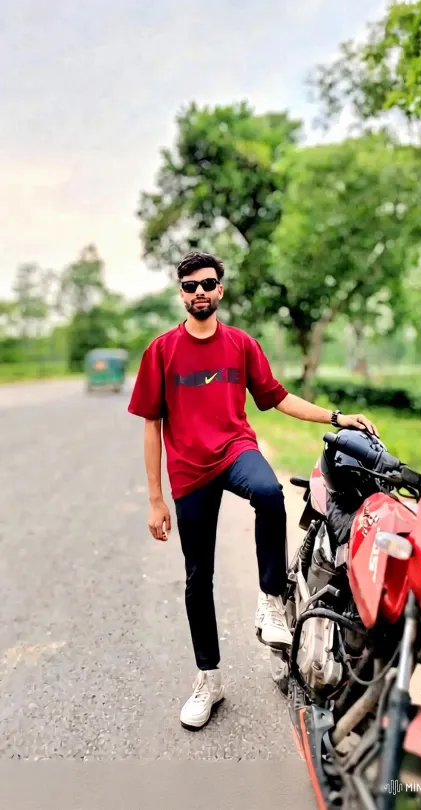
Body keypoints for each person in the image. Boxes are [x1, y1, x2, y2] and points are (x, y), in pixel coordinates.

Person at [127, 251, 378, 730]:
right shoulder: (161, 351)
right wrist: (156, 498)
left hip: (235, 450)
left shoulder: (241, 345)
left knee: (268, 492)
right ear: (181, 293)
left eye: (207, 283)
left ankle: (269, 601)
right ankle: (209, 679)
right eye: (189, 286)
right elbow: (151, 425)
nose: (199, 291)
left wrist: (336, 417)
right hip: (188, 470)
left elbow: (277, 398)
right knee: (198, 577)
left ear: (220, 289)